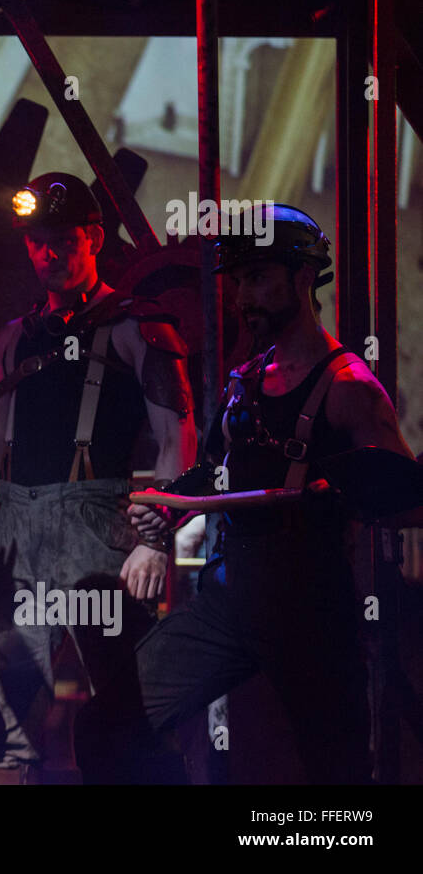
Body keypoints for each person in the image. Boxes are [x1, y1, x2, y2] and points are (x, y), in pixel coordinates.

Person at [73, 204, 419, 784]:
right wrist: (165, 512)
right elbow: (214, 473)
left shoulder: (351, 389)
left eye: (257, 278)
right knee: (107, 725)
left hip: (312, 612)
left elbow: (407, 499)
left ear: (303, 277)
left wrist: (341, 494)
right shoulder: (249, 382)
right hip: (230, 604)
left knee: (338, 776)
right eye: (237, 282)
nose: (242, 298)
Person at [0, 173, 196, 783]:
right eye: (36, 241)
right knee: (4, 721)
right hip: (16, 530)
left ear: (93, 238)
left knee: (130, 712)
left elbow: (178, 440)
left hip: (100, 534)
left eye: (61, 239)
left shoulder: (141, 327)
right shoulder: (15, 338)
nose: (47, 253)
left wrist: (154, 539)